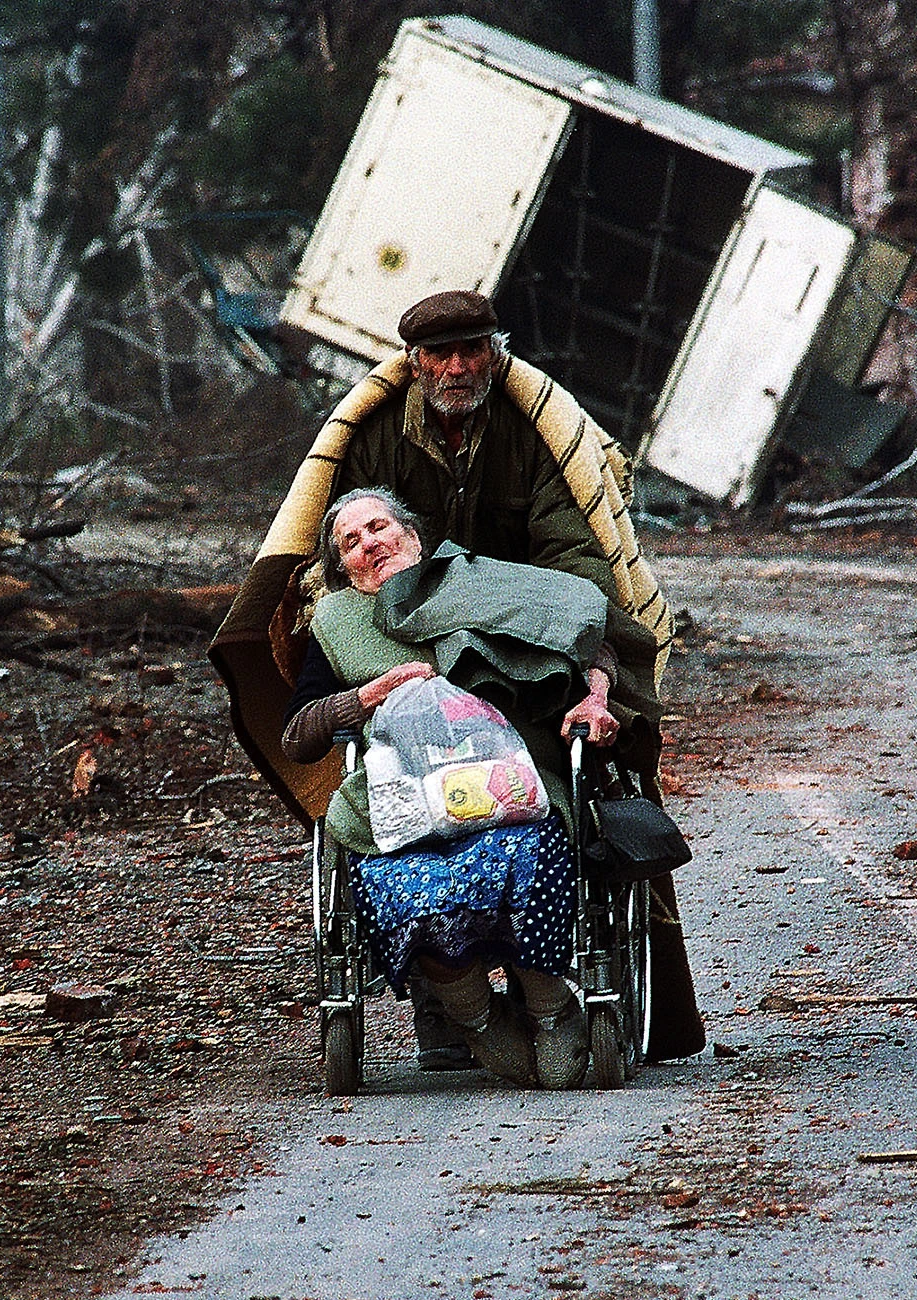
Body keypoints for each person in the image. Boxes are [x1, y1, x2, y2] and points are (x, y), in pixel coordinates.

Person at [211, 289, 705, 1069]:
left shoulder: (533, 429)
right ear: (415, 365)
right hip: (405, 722)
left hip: (506, 626)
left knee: (568, 797)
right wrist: (364, 675)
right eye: (440, 355)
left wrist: (574, 650)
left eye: (472, 349)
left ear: (492, 350)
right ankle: (459, 1008)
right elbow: (336, 557)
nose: (457, 366)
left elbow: (572, 560)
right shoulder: (374, 455)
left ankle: (554, 1004)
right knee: (397, 853)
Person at [281, 487, 620, 1088]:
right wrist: (365, 696)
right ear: (342, 571)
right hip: (406, 804)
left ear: (413, 537)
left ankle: (549, 1007)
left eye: (379, 527)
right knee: (407, 888)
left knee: (526, 854)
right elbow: (298, 736)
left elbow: (588, 633)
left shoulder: (478, 583)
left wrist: (594, 697)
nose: (369, 544)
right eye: (351, 543)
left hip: (512, 785)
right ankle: (475, 1018)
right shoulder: (336, 625)